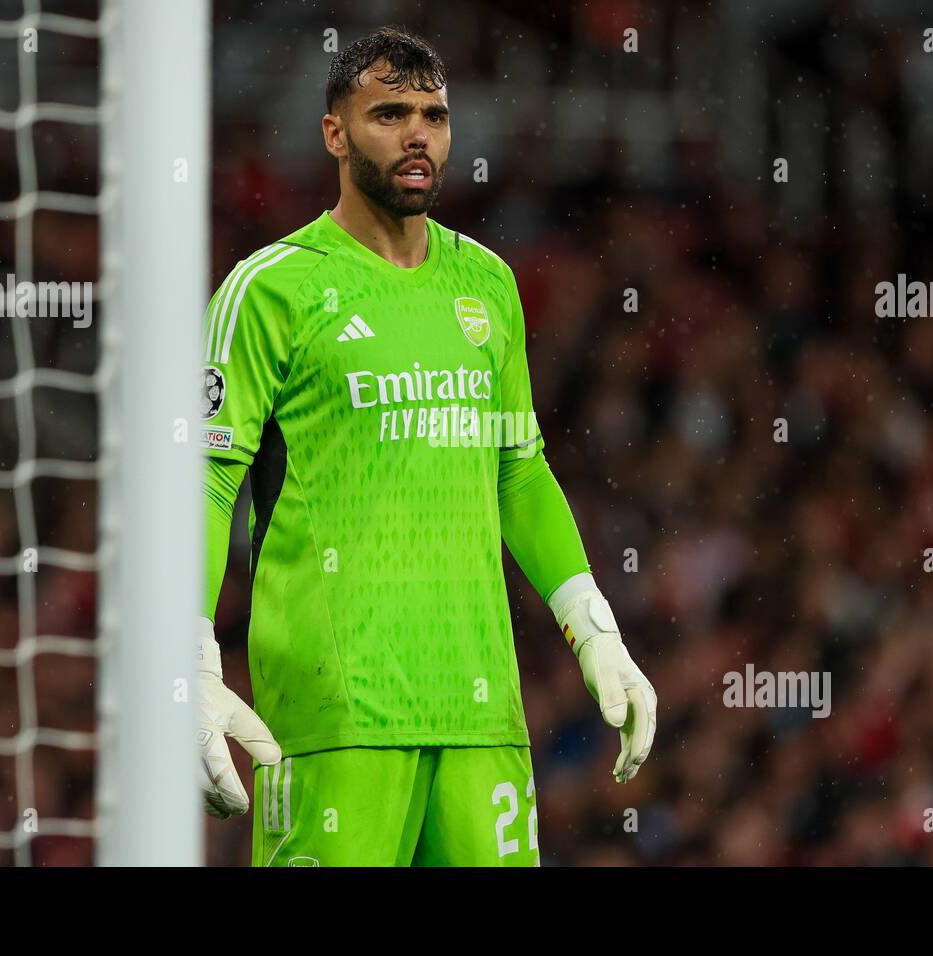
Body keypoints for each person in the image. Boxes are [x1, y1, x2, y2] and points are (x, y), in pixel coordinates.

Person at [196, 25, 656, 866]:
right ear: (334, 132)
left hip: (481, 711)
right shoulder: (271, 290)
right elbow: (208, 482)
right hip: (338, 715)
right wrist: (191, 656)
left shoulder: (487, 283)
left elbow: (518, 472)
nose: (419, 134)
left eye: (435, 117)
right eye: (390, 113)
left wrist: (594, 629)